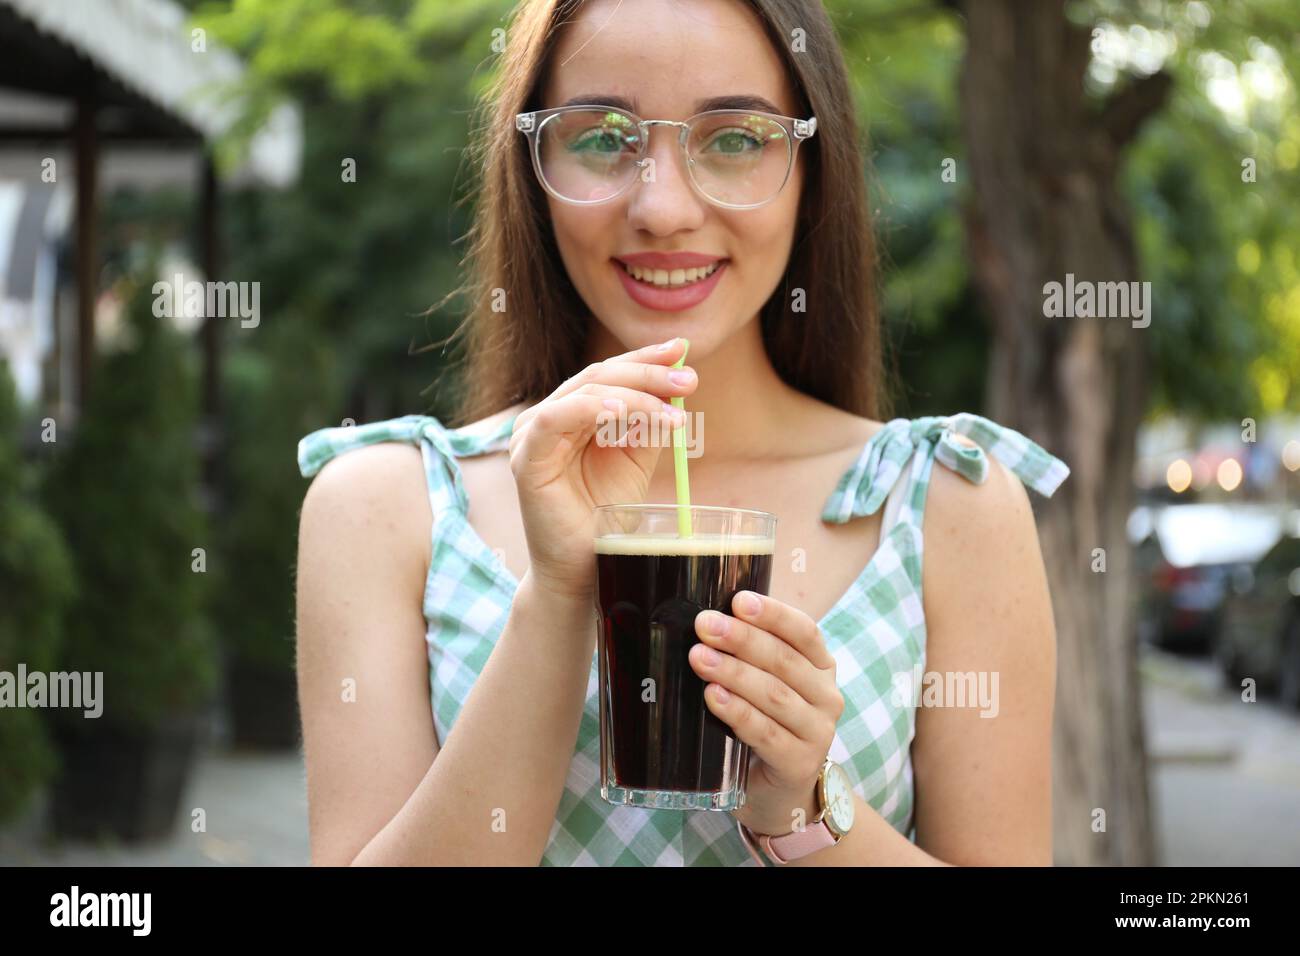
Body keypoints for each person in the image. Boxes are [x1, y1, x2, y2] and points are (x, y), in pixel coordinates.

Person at [294, 0, 1069, 866]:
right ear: (531, 164)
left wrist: (803, 809)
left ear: (813, 167)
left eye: (735, 138)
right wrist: (556, 600)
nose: (662, 208)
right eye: (601, 137)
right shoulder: (382, 505)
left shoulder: (948, 502)